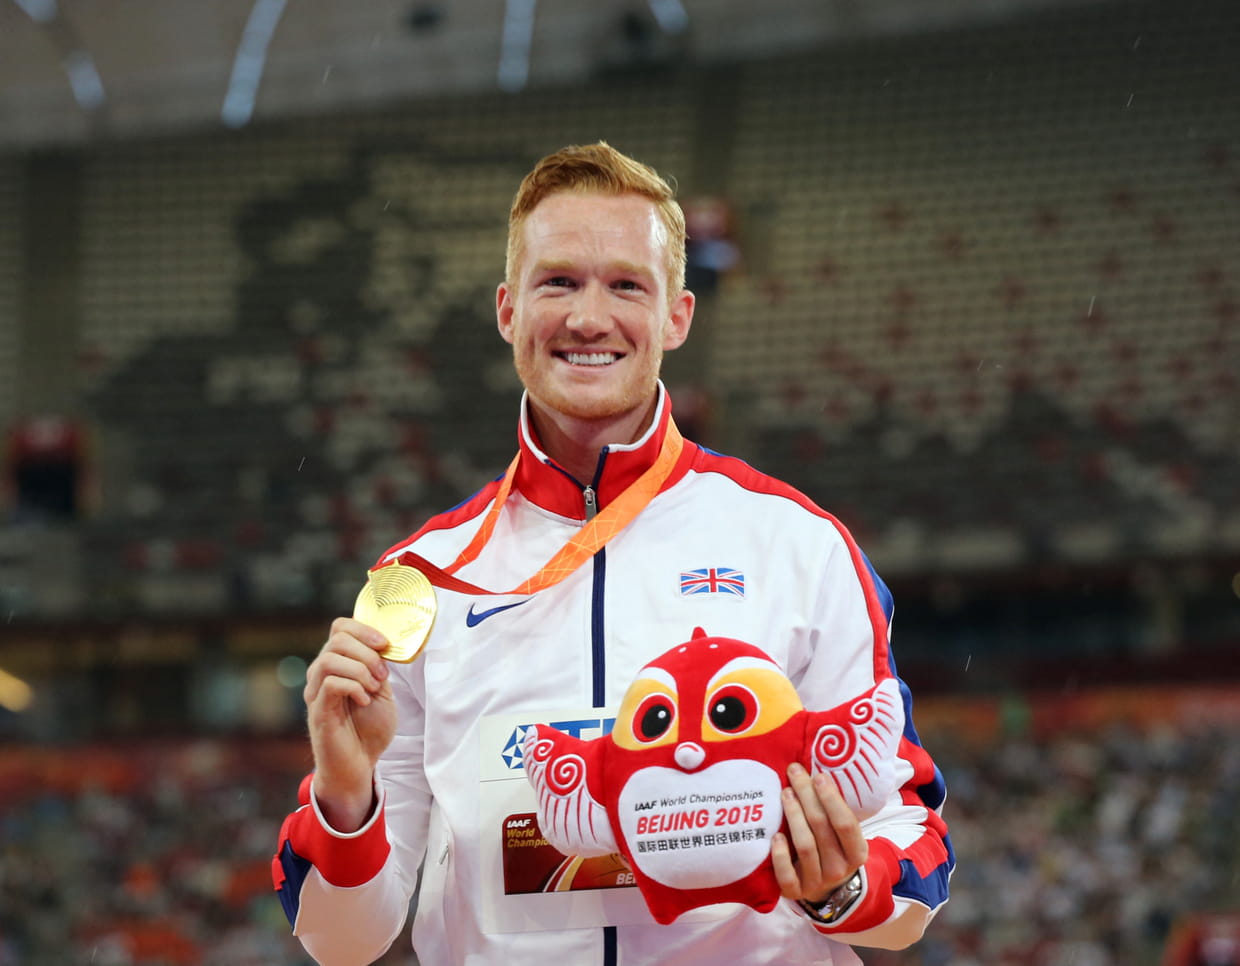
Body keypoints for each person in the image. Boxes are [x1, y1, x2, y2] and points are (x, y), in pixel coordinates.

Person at [273, 142, 953, 965]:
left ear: (677, 315)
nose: (589, 318)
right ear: (507, 311)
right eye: (557, 281)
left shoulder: (795, 544)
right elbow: (347, 941)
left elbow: (910, 852)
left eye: (626, 285)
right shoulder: (422, 581)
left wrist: (843, 889)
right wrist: (347, 794)